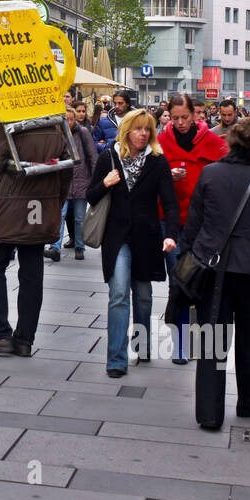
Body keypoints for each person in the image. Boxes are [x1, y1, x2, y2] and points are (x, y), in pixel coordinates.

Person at [177, 118, 250, 428]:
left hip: (212, 268)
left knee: (210, 339)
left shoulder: (210, 174)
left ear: (230, 142)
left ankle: (209, 413)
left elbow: (193, 225)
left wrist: (186, 260)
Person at [0, 117, 74, 356]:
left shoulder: (7, 126)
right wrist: (55, 202)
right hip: (40, 208)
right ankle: (25, 339)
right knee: (32, 274)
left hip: (7, 209)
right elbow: (67, 172)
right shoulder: (56, 128)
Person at [89, 109, 180, 376]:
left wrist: (171, 234)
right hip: (116, 237)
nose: (143, 134)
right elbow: (91, 196)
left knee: (143, 296)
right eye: (138, 129)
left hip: (147, 237)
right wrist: (105, 183)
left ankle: (142, 345)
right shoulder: (108, 158)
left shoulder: (157, 161)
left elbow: (170, 202)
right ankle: (116, 359)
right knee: (118, 294)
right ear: (126, 130)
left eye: (147, 130)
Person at [157, 92, 228, 364]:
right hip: (172, 222)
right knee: (179, 282)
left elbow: (223, 180)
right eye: (175, 118)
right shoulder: (161, 142)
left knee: (202, 283)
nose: (180, 123)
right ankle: (180, 343)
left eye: (184, 117)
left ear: (195, 114)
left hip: (203, 224)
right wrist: (167, 177)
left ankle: (200, 340)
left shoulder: (212, 141)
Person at [46, 106, 96, 262]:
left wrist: (95, 180)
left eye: (71, 119)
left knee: (79, 218)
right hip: (62, 181)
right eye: (65, 119)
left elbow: (92, 155)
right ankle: (55, 247)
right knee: (59, 215)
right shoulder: (56, 134)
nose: (68, 122)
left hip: (81, 180)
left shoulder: (83, 132)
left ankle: (80, 245)